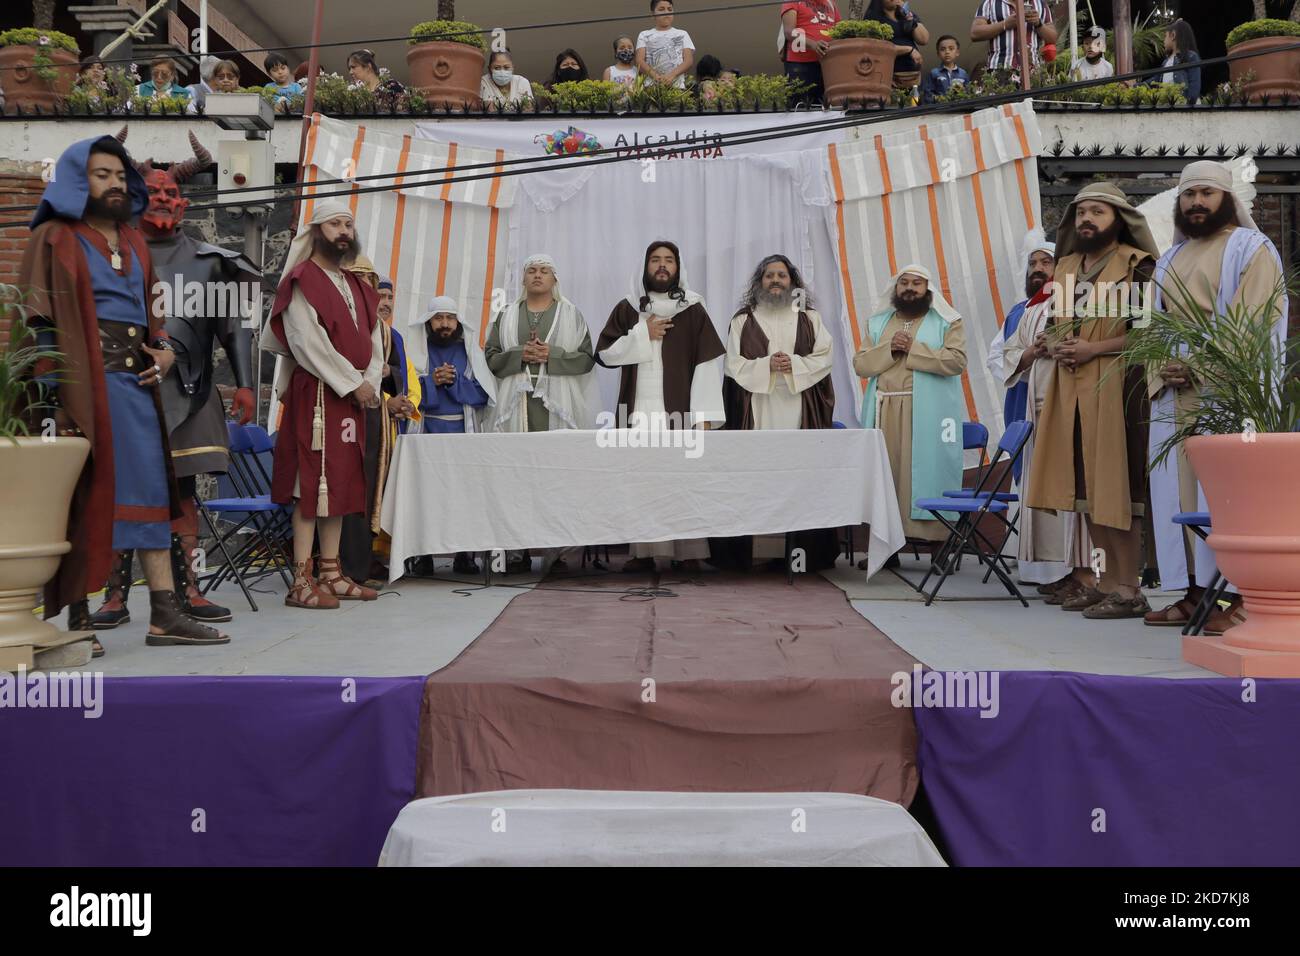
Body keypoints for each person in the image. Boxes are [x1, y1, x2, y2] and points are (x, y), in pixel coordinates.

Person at [18, 136, 230, 655]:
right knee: (82, 501)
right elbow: (39, 321)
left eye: (118, 175)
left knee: (152, 497)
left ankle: (164, 613)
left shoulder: (134, 241)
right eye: (101, 175)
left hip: (136, 390)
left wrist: (163, 351)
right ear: (77, 181)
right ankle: (78, 619)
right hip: (79, 393)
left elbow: (150, 320)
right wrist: (53, 400)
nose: (113, 184)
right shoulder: (55, 237)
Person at [90, 128, 257, 632]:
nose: (161, 197)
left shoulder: (211, 261)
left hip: (192, 387)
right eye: (153, 191)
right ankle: (115, 595)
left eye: (169, 192)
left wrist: (246, 383)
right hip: (126, 389)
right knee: (124, 491)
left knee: (182, 492)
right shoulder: (111, 256)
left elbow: (234, 327)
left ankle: (186, 590)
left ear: (182, 203)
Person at [1145, 161, 1285, 634]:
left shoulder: (1251, 248)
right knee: (1178, 490)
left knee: (1232, 491)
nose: (1196, 203)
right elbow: (1153, 327)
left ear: (1226, 198)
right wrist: (1160, 367)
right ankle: (1194, 594)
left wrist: (1199, 367)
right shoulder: (1169, 259)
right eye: (1188, 195)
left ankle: (1247, 597)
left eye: (1206, 193)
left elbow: (1252, 324)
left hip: (1229, 387)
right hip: (1174, 387)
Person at [1026, 183, 1160, 620]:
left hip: (1119, 386)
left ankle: (1130, 588)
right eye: (1081, 211)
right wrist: (1058, 342)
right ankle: (1104, 583)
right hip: (1071, 389)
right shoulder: (1065, 267)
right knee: (1084, 490)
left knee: (1119, 490)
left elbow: (1145, 332)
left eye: (1097, 211)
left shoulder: (1137, 266)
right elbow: (1065, 323)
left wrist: (1092, 349)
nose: (1087, 219)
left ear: (1118, 219)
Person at [264, 200, 385, 609]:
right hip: (317, 394)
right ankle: (301, 579)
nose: (344, 231)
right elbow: (305, 341)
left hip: (349, 397)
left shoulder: (360, 288)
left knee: (341, 480)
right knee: (310, 483)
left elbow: (375, 342)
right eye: (335, 223)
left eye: (349, 224)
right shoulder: (302, 280)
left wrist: (366, 383)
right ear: (316, 231)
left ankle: (331, 573)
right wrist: (353, 384)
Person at [598, 241, 726, 573]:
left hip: (681, 409)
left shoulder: (694, 308)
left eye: (669, 260)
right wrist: (643, 332)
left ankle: (690, 552)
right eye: (655, 260)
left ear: (678, 268)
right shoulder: (629, 308)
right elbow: (605, 354)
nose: (662, 266)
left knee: (684, 480)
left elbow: (707, 364)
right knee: (643, 482)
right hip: (639, 409)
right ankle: (643, 552)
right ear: (645, 267)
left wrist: (705, 416)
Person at [722, 254, 837, 569]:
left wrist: (795, 365)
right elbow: (732, 364)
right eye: (769, 275)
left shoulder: (809, 318)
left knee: (796, 479)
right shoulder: (743, 319)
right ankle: (751, 556)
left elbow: (825, 357)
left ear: (793, 282)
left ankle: (798, 557)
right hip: (757, 408)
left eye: (782, 276)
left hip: (800, 407)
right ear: (760, 282)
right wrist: (766, 365)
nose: (775, 281)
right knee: (756, 480)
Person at [485, 254, 598, 574]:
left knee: (557, 475)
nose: (537, 275)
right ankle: (516, 551)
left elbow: (587, 358)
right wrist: (522, 354)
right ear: (523, 279)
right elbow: (491, 357)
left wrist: (553, 355)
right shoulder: (505, 315)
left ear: (554, 279)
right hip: (514, 408)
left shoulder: (571, 314)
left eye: (544, 271)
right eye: (531, 270)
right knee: (515, 477)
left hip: (558, 405)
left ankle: (559, 552)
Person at [998, 231, 1094, 591]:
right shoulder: (1031, 308)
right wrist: (1032, 352)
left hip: (1072, 409)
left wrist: (1061, 346)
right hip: (1037, 415)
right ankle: (1053, 572)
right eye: (1033, 263)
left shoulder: (1083, 299)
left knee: (1071, 491)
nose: (1039, 269)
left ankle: (1082, 572)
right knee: (1044, 495)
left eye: (1046, 262)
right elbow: (1010, 354)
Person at [853, 265, 968, 566]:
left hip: (930, 414)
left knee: (930, 472)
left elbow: (956, 362)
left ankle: (939, 546)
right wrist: (890, 348)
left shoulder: (947, 321)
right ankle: (885, 549)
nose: (910, 288)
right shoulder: (879, 322)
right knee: (887, 475)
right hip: (884, 411)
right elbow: (862, 365)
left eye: (917, 283)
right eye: (904, 282)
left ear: (928, 290)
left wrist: (914, 349)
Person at [406, 296, 492, 578]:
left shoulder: (470, 353)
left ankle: (464, 555)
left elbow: (485, 394)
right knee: (426, 496)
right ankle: (424, 555)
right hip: (427, 433)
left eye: (450, 318)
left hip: (462, 435)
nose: (445, 324)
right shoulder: (416, 351)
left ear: (458, 322)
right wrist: (432, 381)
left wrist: (454, 381)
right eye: (439, 318)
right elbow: (405, 391)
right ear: (428, 323)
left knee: (462, 495)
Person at [779, 0, 841, 106]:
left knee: (825, 109)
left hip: (826, 64)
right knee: (800, 107)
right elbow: (789, 32)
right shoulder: (793, 2)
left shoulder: (830, 2)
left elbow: (840, 29)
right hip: (800, 65)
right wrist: (813, 44)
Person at [970, 0, 1056, 74]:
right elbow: (975, 33)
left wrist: (1039, 24)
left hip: (1032, 70)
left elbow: (1052, 38)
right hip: (1000, 70)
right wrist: (1004, 24)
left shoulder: (1041, 4)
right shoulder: (990, 3)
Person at [867, 0, 930, 89]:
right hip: (890, 77)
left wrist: (909, 17)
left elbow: (924, 40)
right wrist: (909, 50)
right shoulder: (873, 18)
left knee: (914, 102)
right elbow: (876, 48)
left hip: (913, 76)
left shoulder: (905, 14)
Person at [637, 0, 696, 89]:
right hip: (651, 86)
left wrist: (672, 75)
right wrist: (656, 77)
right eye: (661, 9)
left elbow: (688, 61)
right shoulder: (644, 34)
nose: (666, 12)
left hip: (676, 86)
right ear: (653, 14)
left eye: (669, 9)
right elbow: (639, 60)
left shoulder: (682, 34)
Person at [1150, 18, 1200, 104]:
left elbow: (1194, 86)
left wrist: (1189, 106)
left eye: (1165, 36)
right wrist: (1135, 85)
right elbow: (1154, 80)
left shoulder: (1191, 56)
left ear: (1173, 35)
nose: (1163, 41)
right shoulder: (1165, 62)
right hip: (1168, 107)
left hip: (1183, 106)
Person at [921, 34, 969, 102]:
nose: (947, 52)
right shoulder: (933, 73)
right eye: (943, 49)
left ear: (957, 52)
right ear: (938, 54)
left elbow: (968, 94)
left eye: (951, 49)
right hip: (940, 110)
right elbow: (927, 95)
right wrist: (939, 99)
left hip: (959, 109)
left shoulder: (963, 74)